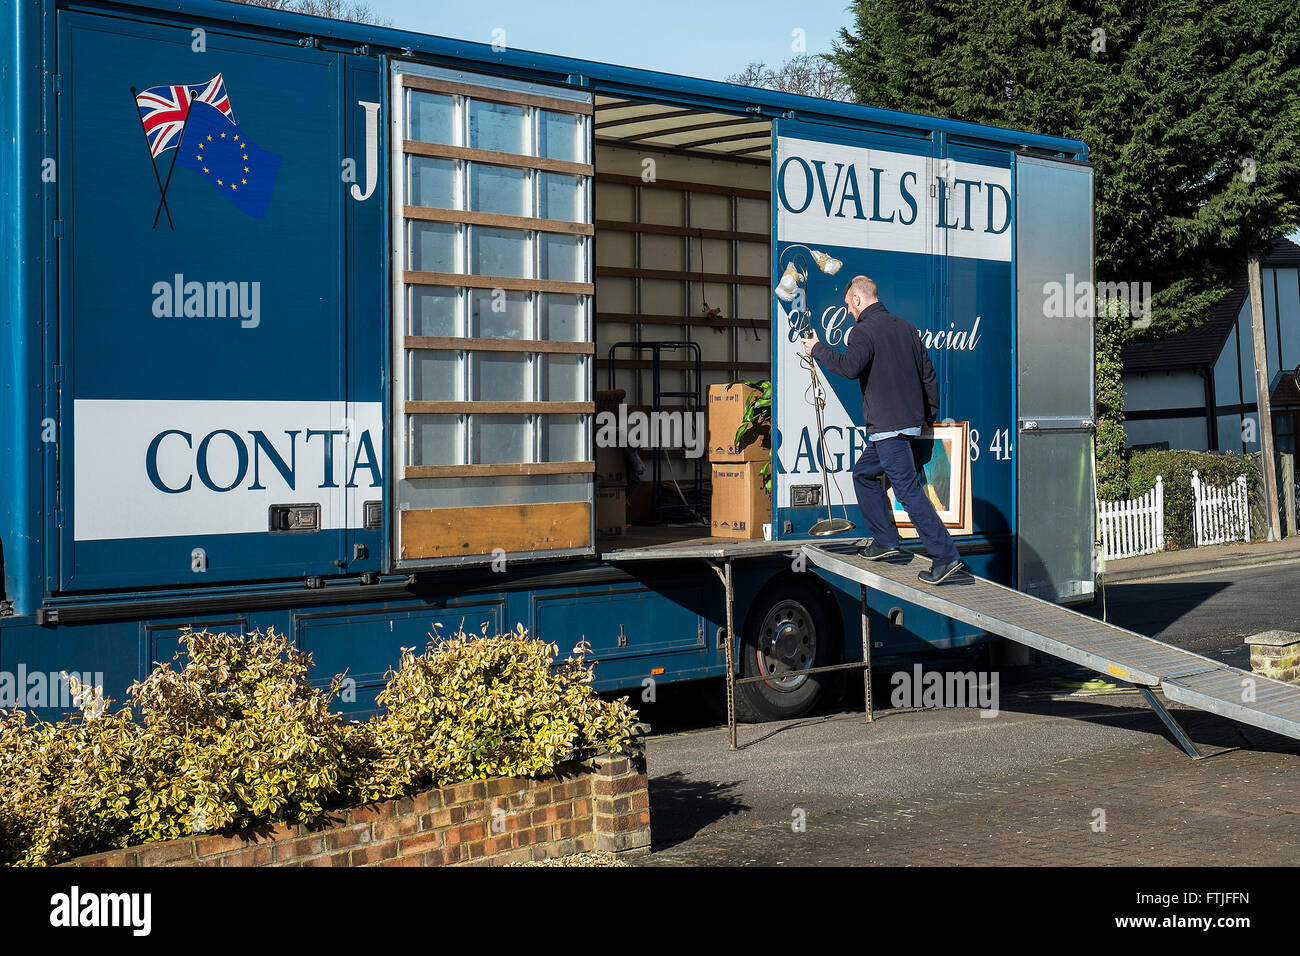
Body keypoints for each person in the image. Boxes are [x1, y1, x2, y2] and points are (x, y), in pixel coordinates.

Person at [802, 275, 966, 585]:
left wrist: (817, 349)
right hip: (904, 427)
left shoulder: (863, 331)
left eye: (849, 305)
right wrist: (927, 419)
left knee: (907, 490)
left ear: (859, 300)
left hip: (888, 428)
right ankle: (886, 540)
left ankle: (945, 557)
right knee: (863, 474)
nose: (849, 311)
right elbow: (928, 377)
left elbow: (850, 367)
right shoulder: (907, 328)